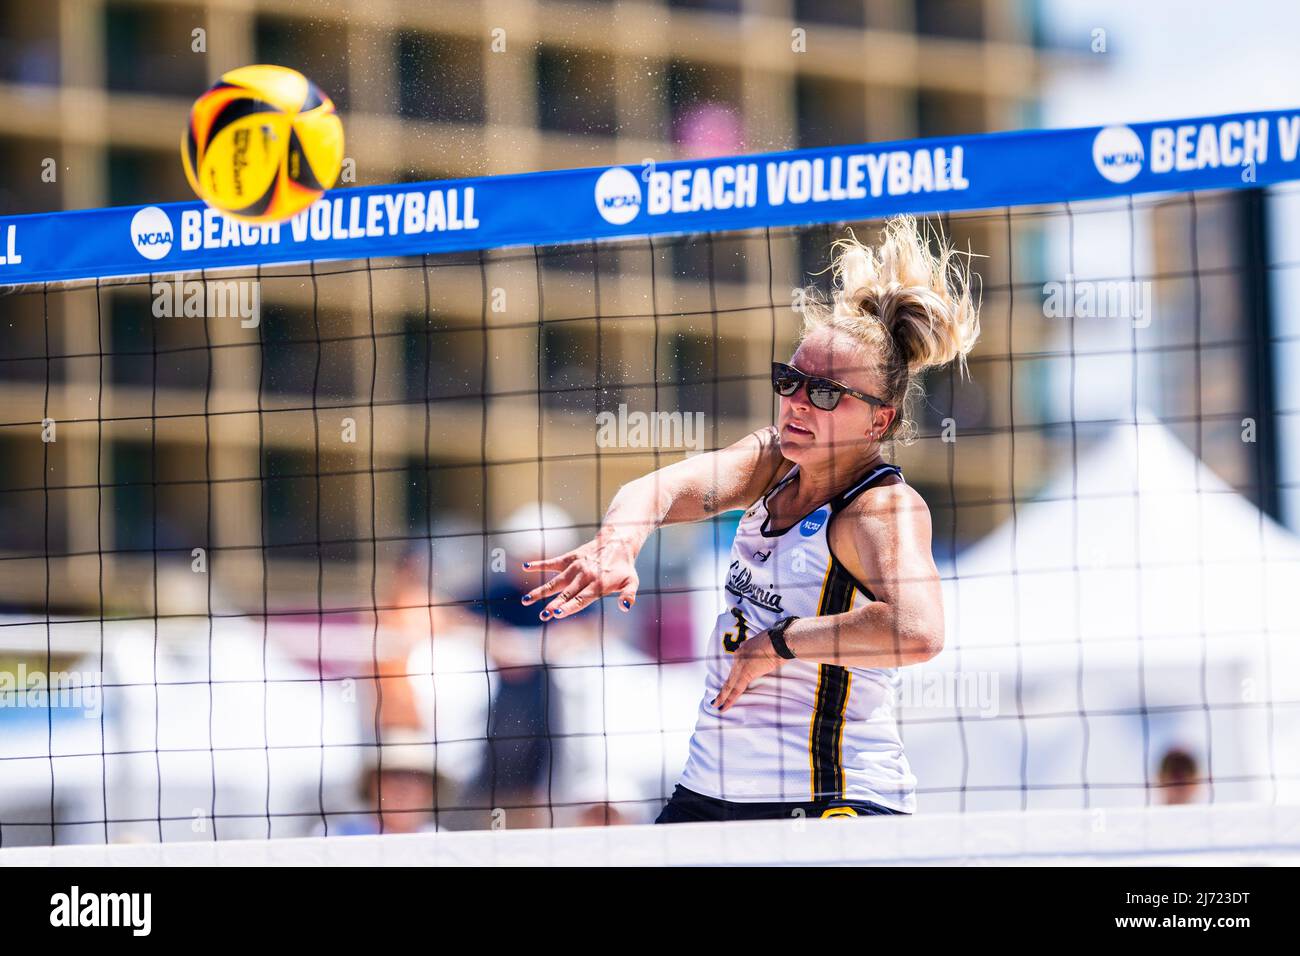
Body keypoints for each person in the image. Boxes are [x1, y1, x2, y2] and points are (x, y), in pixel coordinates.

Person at [521, 216, 980, 822]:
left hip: (828, 799)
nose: (797, 403)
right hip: (711, 788)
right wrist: (618, 543)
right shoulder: (772, 462)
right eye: (791, 381)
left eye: (825, 393)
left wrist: (781, 642)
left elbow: (917, 631)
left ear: (880, 421)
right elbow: (657, 490)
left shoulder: (880, 507)